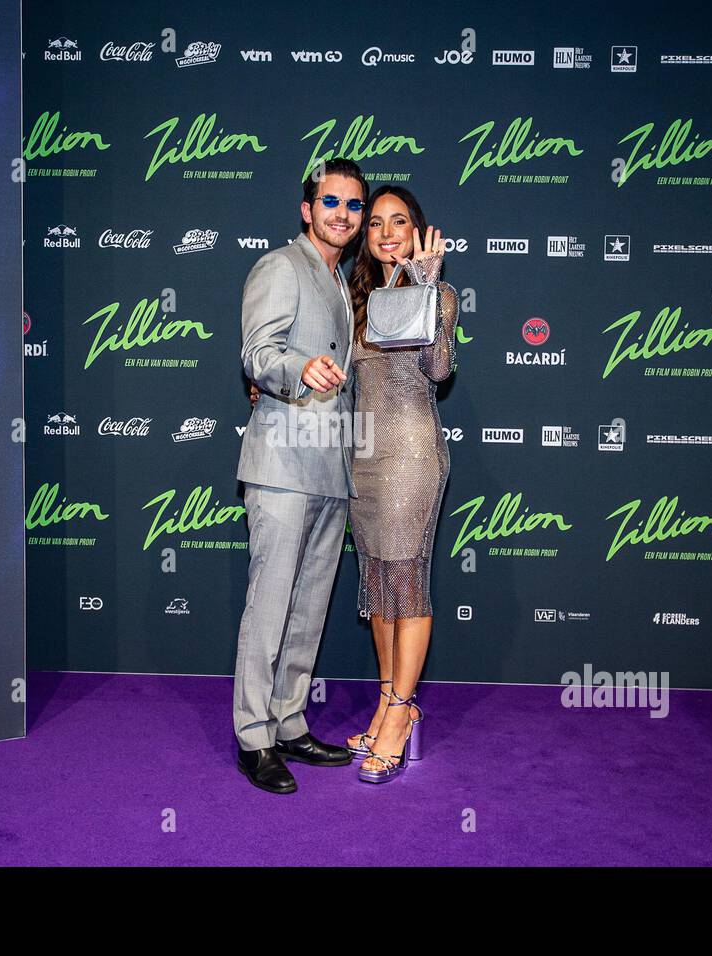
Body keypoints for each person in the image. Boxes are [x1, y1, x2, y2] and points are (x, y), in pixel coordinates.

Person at [232, 158, 368, 794]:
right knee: (271, 605)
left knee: (309, 607)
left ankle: (288, 721)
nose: (342, 214)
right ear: (306, 209)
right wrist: (296, 369)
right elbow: (258, 352)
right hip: (283, 466)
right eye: (331, 202)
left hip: (331, 468)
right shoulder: (280, 266)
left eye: (353, 205)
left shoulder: (343, 282)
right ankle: (253, 736)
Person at [344, 186, 457, 783]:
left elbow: (438, 371)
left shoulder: (437, 293)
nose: (386, 232)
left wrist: (426, 286)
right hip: (364, 460)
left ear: (417, 231)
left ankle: (400, 713)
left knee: (407, 579)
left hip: (412, 455)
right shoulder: (357, 297)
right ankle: (389, 698)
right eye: (376, 223)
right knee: (379, 583)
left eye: (400, 222)